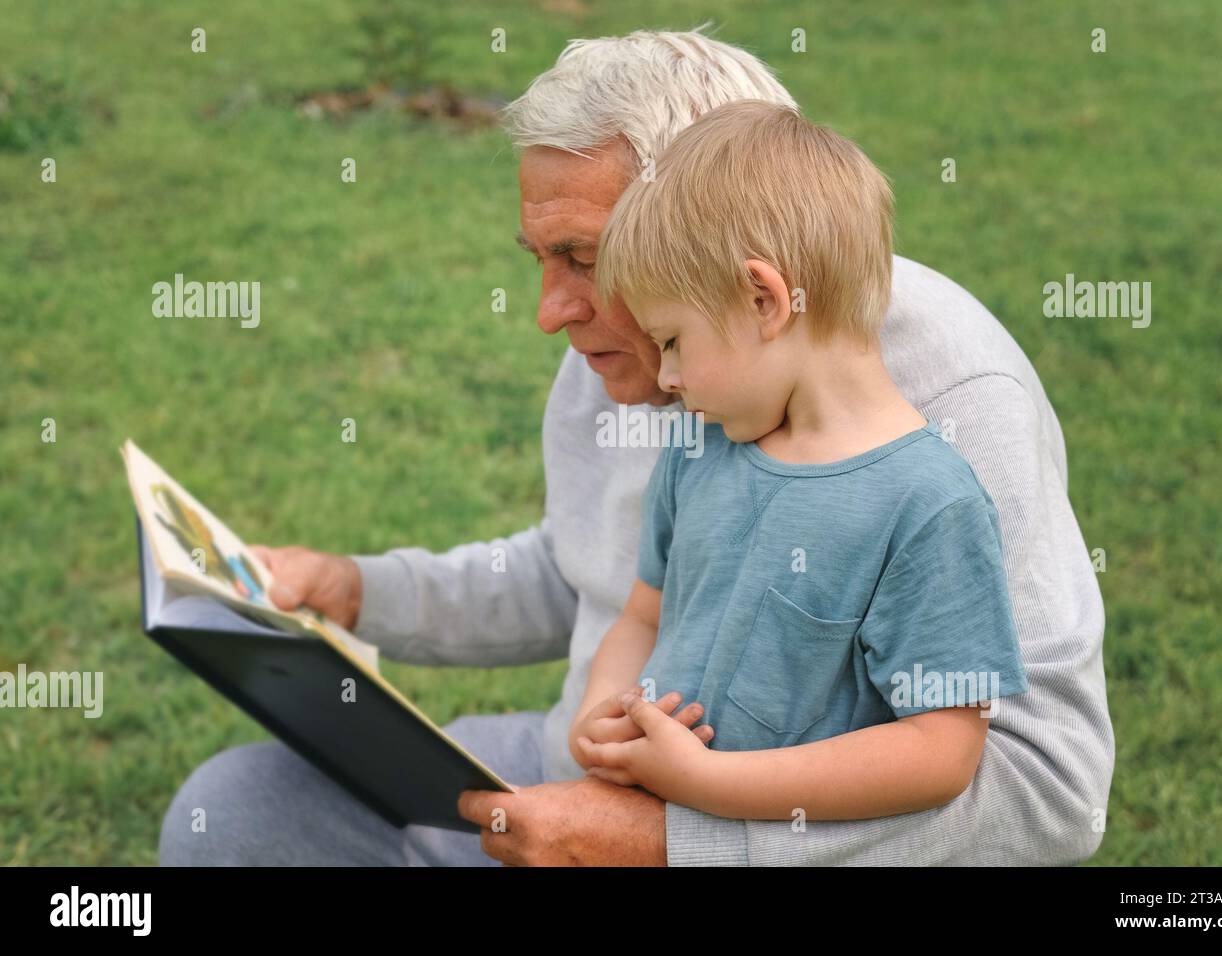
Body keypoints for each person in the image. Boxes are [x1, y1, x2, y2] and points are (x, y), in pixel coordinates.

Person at [159, 26, 1113, 866]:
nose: (551, 314)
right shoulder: (641, 341)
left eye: (583, 257)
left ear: (720, 240)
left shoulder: (949, 400)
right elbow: (589, 572)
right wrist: (355, 591)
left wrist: (670, 846)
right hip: (578, 784)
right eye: (542, 261)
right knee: (240, 812)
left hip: (748, 836)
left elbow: (1049, 786)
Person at [569, 98, 1030, 821]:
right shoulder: (700, 447)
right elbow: (643, 618)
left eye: (673, 341)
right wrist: (599, 711)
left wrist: (706, 781)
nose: (666, 377)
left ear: (764, 300)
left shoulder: (927, 504)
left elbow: (941, 752)